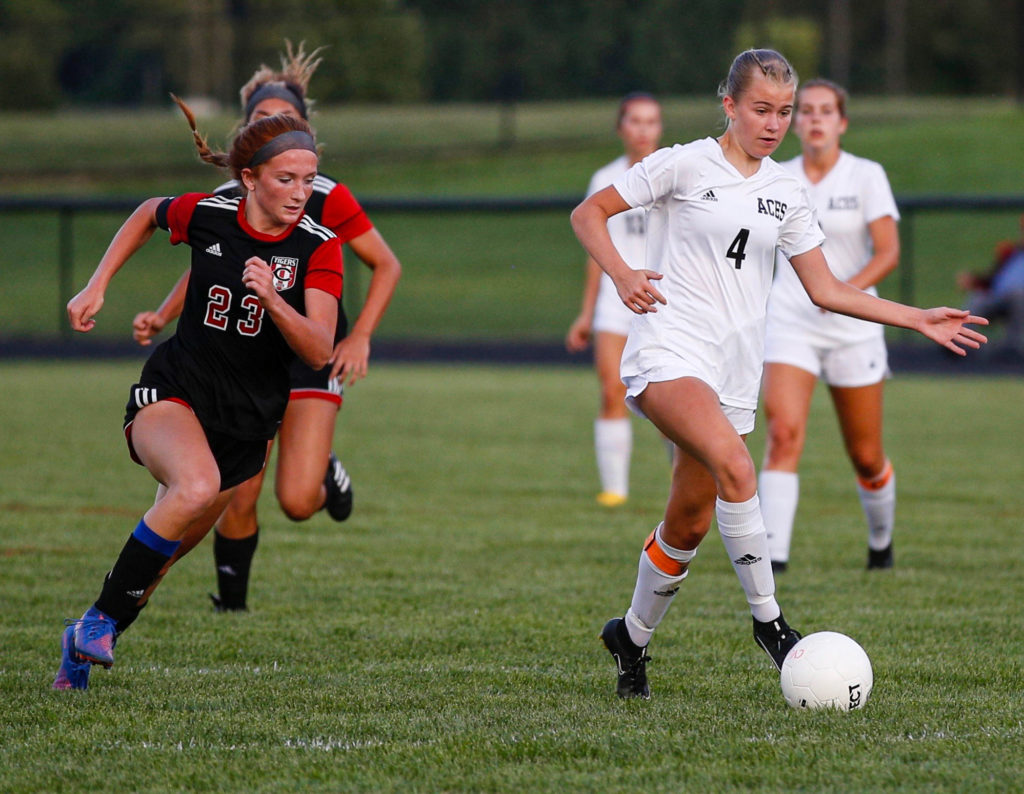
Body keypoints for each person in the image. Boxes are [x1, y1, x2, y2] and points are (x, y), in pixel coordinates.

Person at [571, 48, 987, 700]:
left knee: (688, 524)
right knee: (739, 468)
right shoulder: (683, 163)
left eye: (784, 112)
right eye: (761, 109)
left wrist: (916, 317)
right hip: (668, 354)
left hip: (734, 370)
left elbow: (826, 288)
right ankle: (770, 623)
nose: (774, 123)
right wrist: (622, 276)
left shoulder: (786, 192)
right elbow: (587, 213)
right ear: (730, 105)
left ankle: (631, 637)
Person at [54, 100, 342, 690]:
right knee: (195, 486)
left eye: (309, 181)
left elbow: (318, 351)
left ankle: (81, 643)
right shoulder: (210, 215)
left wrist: (274, 300)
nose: (299, 193)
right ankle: (99, 623)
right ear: (249, 179)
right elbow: (148, 212)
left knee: (156, 563)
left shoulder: (319, 247)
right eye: (286, 179)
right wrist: (96, 284)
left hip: (247, 426)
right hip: (175, 392)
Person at [132, 42, 402, 613]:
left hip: (306, 352)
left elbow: (386, 264)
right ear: (248, 137)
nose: (276, 128)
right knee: (234, 487)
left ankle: (321, 466)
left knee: (298, 501)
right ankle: (231, 604)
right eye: (262, 119)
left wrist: (359, 336)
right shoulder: (232, 197)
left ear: (304, 129)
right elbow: (210, 268)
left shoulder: (324, 194)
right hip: (243, 356)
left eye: (287, 119)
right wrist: (162, 313)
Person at [758, 79, 901, 573]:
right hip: (789, 322)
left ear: (842, 122)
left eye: (825, 111)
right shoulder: (775, 177)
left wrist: (843, 294)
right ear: (795, 122)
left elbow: (888, 252)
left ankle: (880, 541)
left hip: (854, 326)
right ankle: (773, 561)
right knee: (783, 434)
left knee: (866, 455)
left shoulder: (866, 175)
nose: (815, 119)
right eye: (806, 111)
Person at [566, 92, 663, 507]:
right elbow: (595, 252)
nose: (643, 129)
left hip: (663, 300)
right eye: (635, 121)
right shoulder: (604, 178)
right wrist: (585, 314)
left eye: (651, 121)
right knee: (611, 391)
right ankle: (615, 491)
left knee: (672, 404)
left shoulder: (673, 173)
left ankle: (684, 486)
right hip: (615, 300)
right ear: (620, 127)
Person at [956, 213, 1024, 357]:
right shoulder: (1011, 252)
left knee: (1018, 295)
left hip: (1019, 299)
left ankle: (1012, 346)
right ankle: (961, 341)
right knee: (978, 297)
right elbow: (993, 278)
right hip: (999, 297)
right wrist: (974, 281)